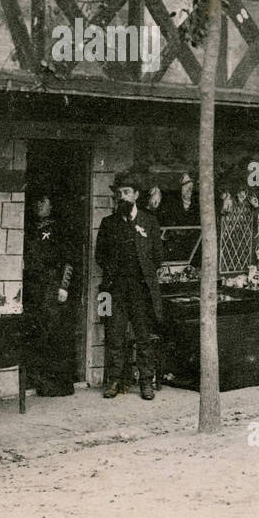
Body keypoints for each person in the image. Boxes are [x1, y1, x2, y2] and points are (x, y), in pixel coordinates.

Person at [95, 169, 164, 401]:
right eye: (119, 193)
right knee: (114, 337)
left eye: (126, 192)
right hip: (115, 290)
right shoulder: (108, 223)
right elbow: (100, 256)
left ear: (136, 195)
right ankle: (114, 381)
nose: (122, 197)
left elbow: (158, 256)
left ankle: (146, 383)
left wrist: (144, 272)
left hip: (141, 291)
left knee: (144, 337)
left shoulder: (149, 222)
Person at [23, 192, 76, 397]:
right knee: (38, 332)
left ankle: (59, 384)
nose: (39, 206)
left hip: (53, 286)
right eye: (37, 202)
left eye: (43, 202)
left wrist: (64, 286)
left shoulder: (59, 229)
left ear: (52, 205)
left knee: (55, 333)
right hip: (35, 287)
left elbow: (69, 260)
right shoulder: (31, 228)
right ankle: (40, 381)